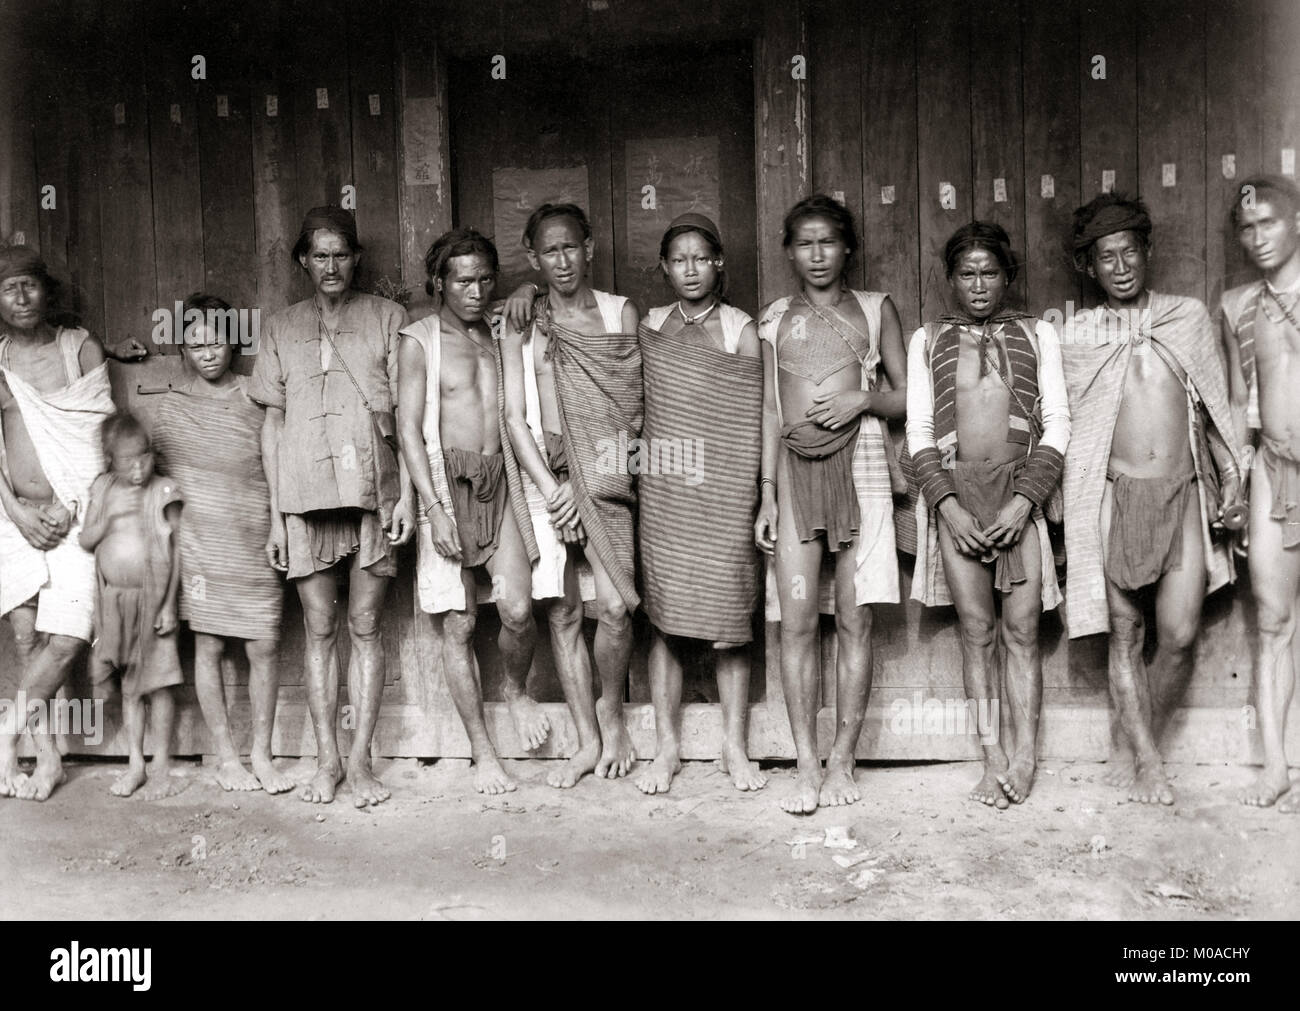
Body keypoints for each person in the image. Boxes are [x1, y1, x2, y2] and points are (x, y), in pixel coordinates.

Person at [1061, 192, 1241, 806]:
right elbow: (1066, 425)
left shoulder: (1184, 317)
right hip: (1113, 498)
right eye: (1105, 257)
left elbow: (1216, 412)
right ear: (1089, 267)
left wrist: (1234, 477)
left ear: (1148, 252)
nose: (1119, 266)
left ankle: (1140, 740)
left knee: (1181, 634)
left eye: (1129, 252)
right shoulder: (1078, 334)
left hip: (1184, 494)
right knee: (1124, 634)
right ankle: (1147, 762)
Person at [251, 207, 415, 807]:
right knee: (319, 628)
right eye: (318, 256)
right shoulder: (278, 327)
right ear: (303, 262)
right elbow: (271, 425)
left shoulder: (388, 318)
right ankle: (326, 763)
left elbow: (411, 421)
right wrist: (275, 516)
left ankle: (362, 764)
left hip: (374, 495)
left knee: (365, 627)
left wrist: (410, 499)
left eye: (340, 254)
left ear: (356, 258)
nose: (330, 266)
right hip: (302, 497)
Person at [907, 222, 1070, 808]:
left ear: (1008, 277)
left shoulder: (1037, 334)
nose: (979, 285)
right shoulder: (927, 339)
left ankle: (1025, 758)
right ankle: (991, 758)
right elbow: (919, 432)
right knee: (977, 631)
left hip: (1018, 497)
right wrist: (946, 508)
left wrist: (1026, 502)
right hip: (958, 496)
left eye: (990, 273)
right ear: (951, 280)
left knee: (1023, 631)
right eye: (967, 274)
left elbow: (1059, 424)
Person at [754, 194, 906, 814]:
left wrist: (862, 401)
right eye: (805, 243)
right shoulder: (771, 319)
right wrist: (765, 493)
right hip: (791, 470)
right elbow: (769, 410)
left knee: (855, 618)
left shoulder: (875, 309)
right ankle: (805, 763)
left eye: (829, 242)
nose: (817, 255)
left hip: (864, 463)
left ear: (847, 249)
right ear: (790, 251)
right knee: (794, 622)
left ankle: (843, 759)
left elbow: (907, 396)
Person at [398, 228, 550, 795]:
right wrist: (432, 508)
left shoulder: (498, 329)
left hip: (498, 479)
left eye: (486, 279)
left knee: (516, 608)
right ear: (439, 283)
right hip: (445, 480)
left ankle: (515, 690)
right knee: (459, 623)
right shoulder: (420, 340)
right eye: (463, 280)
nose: (476, 290)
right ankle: (483, 754)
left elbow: (538, 299)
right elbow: (409, 432)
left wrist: (529, 286)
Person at [497, 203, 643, 787]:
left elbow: (636, 409)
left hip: (608, 468)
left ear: (589, 247)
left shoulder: (619, 312)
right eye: (548, 252)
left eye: (570, 247)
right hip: (542, 473)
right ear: (533, 257)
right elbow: (513, 416)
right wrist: (556, 489)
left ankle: (612, 707)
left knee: (613, 606)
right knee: (560, 608)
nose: (562, 261)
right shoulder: (521, 320)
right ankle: (587, 739)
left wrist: (596, 479)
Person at [635, 213, 766, 794]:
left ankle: (733, 748)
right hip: (666, 495)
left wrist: (763, 492)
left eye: (701, 258)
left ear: (719, 265)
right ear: (665, 267)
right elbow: (638, 407)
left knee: (730, 624)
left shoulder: (741, 330)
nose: (690, 269)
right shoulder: (650, 326)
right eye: (678, 259)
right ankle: (666, 750)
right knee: (665, 623)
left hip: (727, 493)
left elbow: (755, 416)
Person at [150, 293, 291, 794]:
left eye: (215, 342)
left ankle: (262, 753)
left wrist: (279, 524)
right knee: (207, 644)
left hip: (254, 535)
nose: (207, 353)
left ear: (233, 341)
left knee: (265, 644)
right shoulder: (171, 406)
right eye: (195, 345)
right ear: (183, 350)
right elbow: (159, 482)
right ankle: (227, 758)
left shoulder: (256, 396)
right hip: (200, 545)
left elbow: (276, 466)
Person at [0, 246, 114, 801]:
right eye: (8, 288)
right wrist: (18, 512)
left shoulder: (79, 347)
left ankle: (4, 736)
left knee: (67, 637)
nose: (20, 298)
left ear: (46, 292)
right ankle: (46, 761)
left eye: (29, 285)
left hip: (80, 510)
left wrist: (69, 504)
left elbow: (100, 439)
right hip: (11, 516)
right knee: (26, 636)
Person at [1220, 175, 1300, 811]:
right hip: (1276, 471)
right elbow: (1240, 404)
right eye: (1247, 228)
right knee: (1272, 621)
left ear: (1296, 221)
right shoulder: (1237, 306)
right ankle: (1276, 768)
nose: (1257, 238)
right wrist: (1241, 485)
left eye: (1268, 222)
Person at [79, 413, 184, 799]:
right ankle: (135, 763)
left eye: (144, 456)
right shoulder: (103, 489)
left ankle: (160, 766)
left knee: (158, 686)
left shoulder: (165, 490)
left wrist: (169, 605)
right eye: (128, 461)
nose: (139, 467)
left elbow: (178, 553)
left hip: (153, 600)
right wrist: (105, 521)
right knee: (129, 686)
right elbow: (86, 540)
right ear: (110, 461)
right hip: (115, 604)